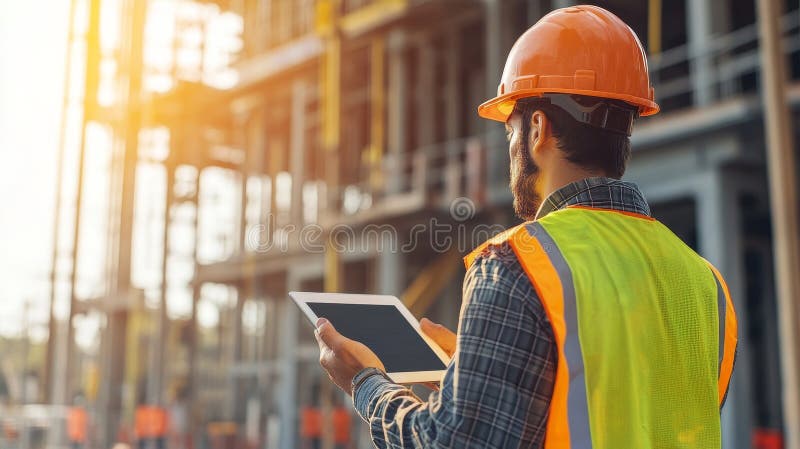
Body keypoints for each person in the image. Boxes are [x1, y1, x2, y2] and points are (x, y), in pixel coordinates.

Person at [314, 5, 738, 448]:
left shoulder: (518, 264)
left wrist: (365, 383)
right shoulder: (706, 286)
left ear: (537, 128)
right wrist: (489, 379)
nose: (510, 146)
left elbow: (449, 444)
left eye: (509, 131)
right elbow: (630, 414)